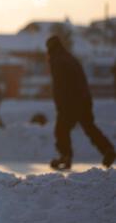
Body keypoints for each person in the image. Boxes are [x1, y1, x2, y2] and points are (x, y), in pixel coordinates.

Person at [46, 36, 115, 170]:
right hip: (84, 98)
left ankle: (65, 157)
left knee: (61, 130)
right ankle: (108, 149)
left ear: (50, 48)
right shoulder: (69, 57)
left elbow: (60, 85)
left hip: (70, 101)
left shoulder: (57, 60)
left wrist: (60, 104)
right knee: (89, 127)